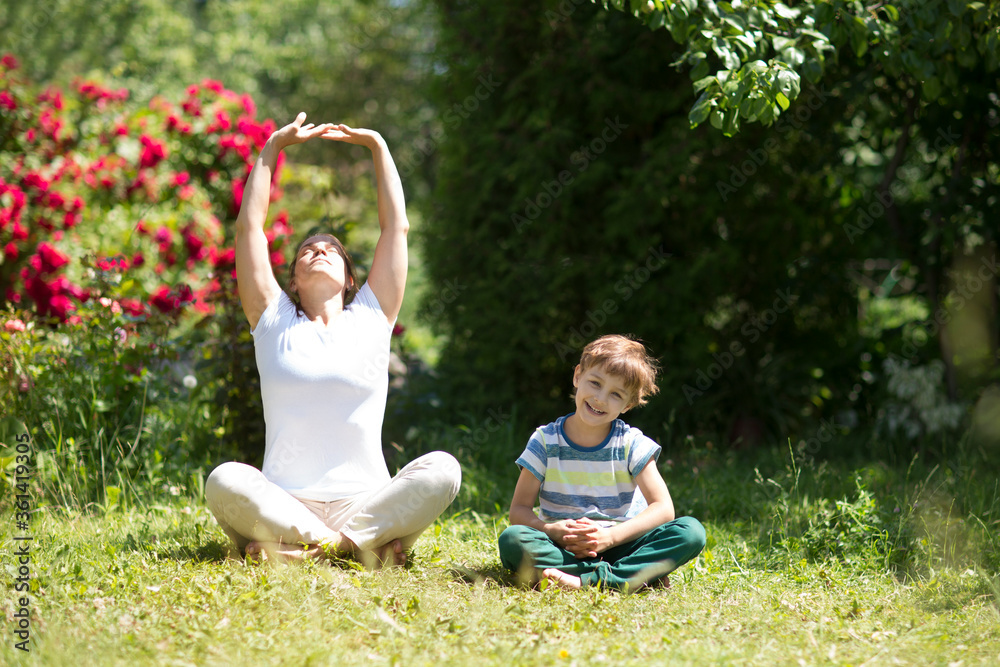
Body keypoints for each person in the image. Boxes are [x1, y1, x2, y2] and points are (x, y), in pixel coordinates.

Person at [205, 113, 461, 568]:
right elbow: (249, 231)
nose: (320, 249)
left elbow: (395, 229)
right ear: (294, 280)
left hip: (366, 507)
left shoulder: (372, 314)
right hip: (284, 504)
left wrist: (379, 146)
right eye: (308, 249)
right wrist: (271, 150)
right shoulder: (272, 318)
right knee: (224, 479)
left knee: (444, 469)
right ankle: (351, 551)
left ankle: (313, 552)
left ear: (349, 279)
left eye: (332, 250)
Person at [498, 335, 705, 590]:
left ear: (628, 404)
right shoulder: (545, 441)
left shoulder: (631, 443)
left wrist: (610, 537)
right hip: (564, 547)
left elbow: (663, 508)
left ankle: (588, 580)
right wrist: (552, 530)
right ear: (577, 376)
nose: (600, 398)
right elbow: (518, 510)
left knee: (691, 531)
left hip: (623, 544)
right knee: (513, 540)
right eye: (595, 383)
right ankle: (631, 576)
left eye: (615, 394)